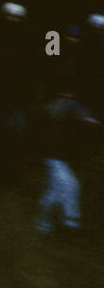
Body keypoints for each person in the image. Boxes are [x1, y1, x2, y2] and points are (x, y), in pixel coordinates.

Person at [36, 88, 98, 235]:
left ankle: (43, 227)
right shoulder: (70, 105)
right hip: (56, 158)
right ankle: (71, 222)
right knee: (71, 185)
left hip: (55, 157)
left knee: (53, 193)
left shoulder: (58, 105)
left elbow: (45, 112)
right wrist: (90, 121)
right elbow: (87, 119)